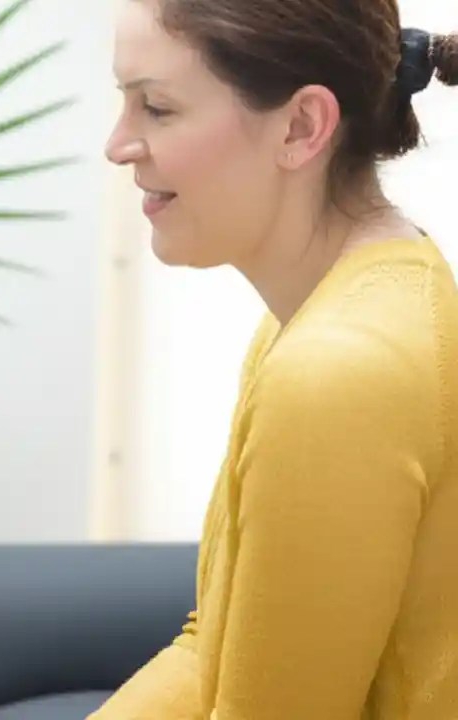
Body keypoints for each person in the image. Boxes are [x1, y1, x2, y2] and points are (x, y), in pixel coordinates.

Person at [96, 0, 458, 718]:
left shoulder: (336, 373)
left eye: (157, 108)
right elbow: (218, 642)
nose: (118, 144)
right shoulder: (333, 304)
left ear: (301, 127)